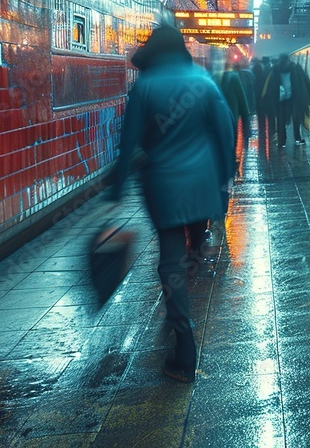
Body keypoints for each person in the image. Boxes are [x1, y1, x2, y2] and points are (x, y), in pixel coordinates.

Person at [107, 25, 236, 383]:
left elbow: (128, 142)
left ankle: (183, 343)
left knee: (169, 261)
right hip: (203, 184)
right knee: (195, 246)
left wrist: (116, 190)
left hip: (163, 186)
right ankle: (182, 296)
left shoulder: (144, 86)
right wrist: (226, 177)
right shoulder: (203, 81)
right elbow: (225, 130)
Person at [265, 53, 310, 147]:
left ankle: (282, 141)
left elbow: (268, 86)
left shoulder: (275, 69)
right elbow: (306, 83)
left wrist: (268, 100)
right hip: (294, 98)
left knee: (281, 121)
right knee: (296, 119)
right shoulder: (296, 69)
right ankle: (297, 138)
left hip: (281, 99)